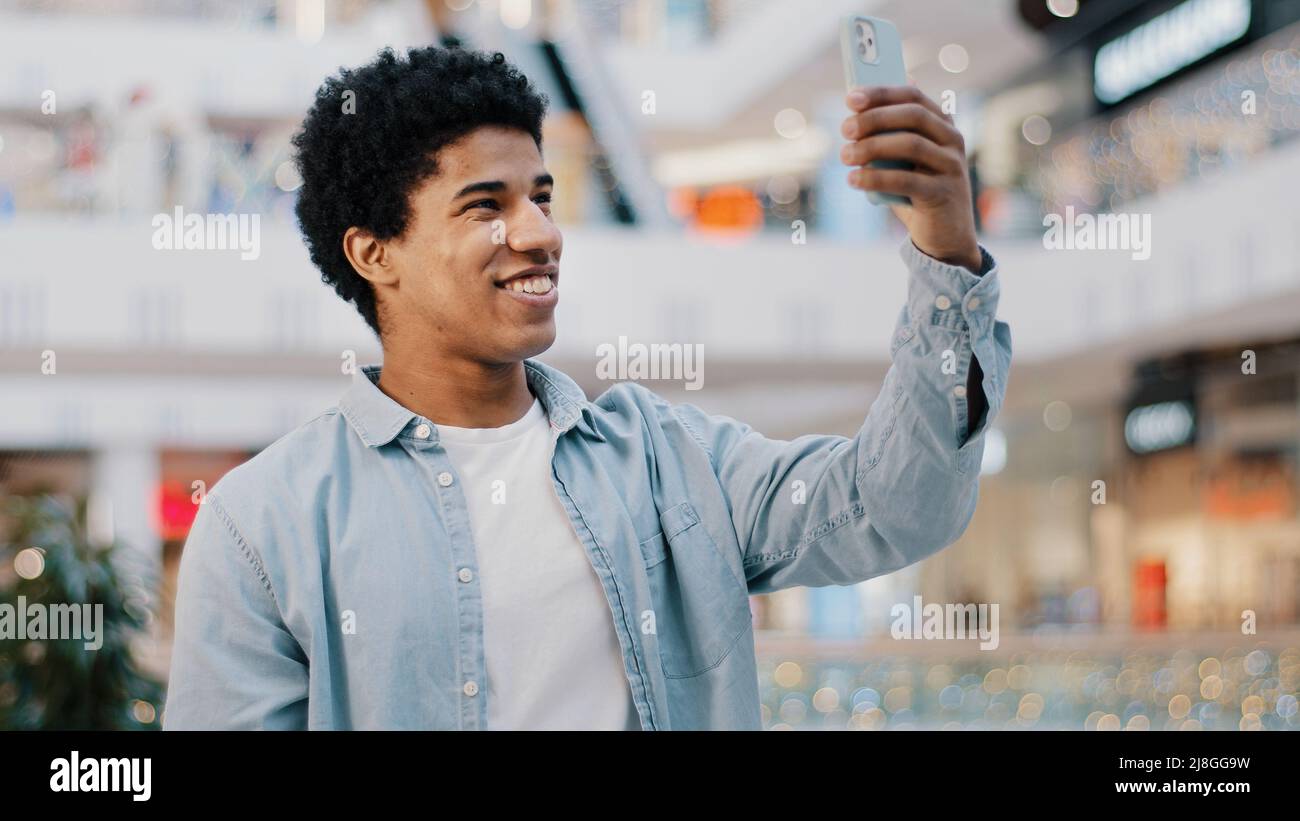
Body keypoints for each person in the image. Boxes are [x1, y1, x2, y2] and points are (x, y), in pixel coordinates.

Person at [163, 45, 1012, 730]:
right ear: (374, 252)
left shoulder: (669, 462)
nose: (538, 233)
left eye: (541, 195)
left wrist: (946, 250)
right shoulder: (263, 525)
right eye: (484, 205)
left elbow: (900, 507)